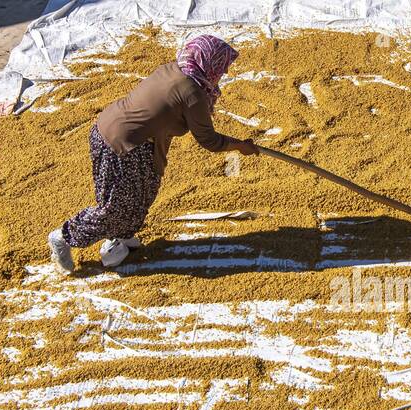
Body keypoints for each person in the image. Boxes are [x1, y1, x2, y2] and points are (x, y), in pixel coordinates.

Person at [49, 34, 258, 274]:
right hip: (120, 142)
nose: (225, 73)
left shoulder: (175, 70)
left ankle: (120, 236)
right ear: (211, 63)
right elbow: (208, 140)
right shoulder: (193, 92)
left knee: (145, 189)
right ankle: (63, 237)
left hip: (133, 139)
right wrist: (240, 146)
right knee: (115, 204)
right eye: (223, 67)